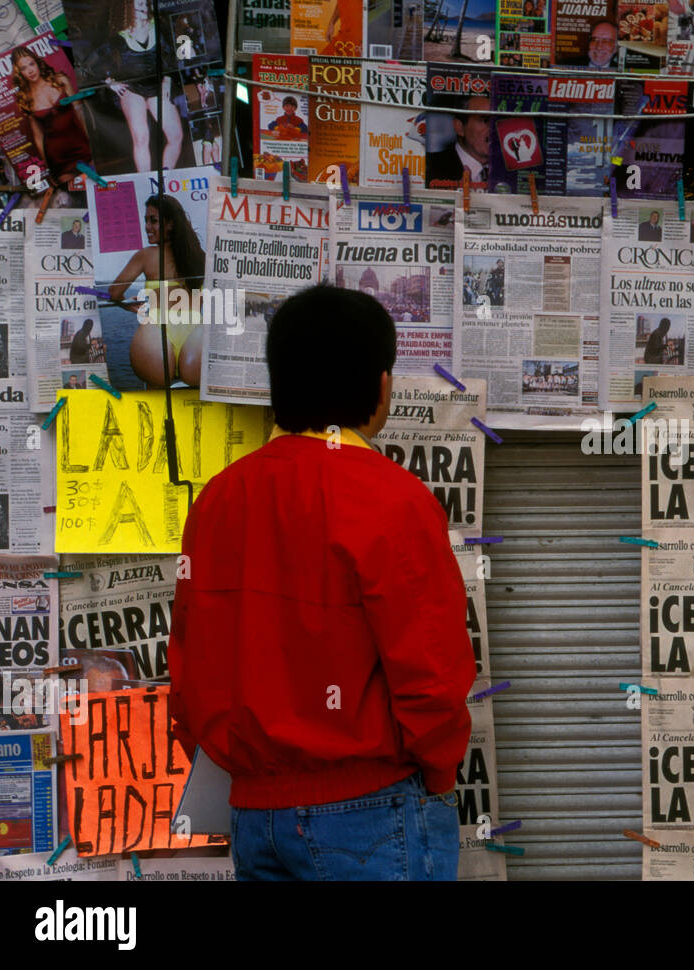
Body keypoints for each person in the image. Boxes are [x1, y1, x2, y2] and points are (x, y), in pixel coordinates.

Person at [168, 285, 475, 881]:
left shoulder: (217, 502)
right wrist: (434, 776)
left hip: (256, 820)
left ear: (277, 383)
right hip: (374, 812)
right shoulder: (392, 499)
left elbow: (189, 667)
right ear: (381, 386)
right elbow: (433, 674)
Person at [108, 194, 206, 387]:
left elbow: (114, 293)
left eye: (153, 221)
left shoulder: (146, 255)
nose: (147, 227)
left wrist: (129, 305)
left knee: (157, 398)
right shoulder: (199, 256)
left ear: (170, 224)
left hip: (157, 332)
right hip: (195, 333)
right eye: (146, 221)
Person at [103, 0, 187, 173]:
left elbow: (175, 56)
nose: (142, 6)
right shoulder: (117, 36)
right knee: (141, 139)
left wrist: (167, 80)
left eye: (145, 2)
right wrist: (110, 82)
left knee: (176, 136)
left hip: (158, 86)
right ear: (127, 7)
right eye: (137, 3)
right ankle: (145, 181)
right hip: (132, 89)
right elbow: (95, 66)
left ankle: (165, 177)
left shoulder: (161, 24)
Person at [12, 48, 91, 189]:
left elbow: (79, 111)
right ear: (20, 73)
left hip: (82, 145)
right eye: (24, 68)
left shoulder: (60, 80)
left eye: (31, 64)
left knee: (100, 185)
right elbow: (38, 137)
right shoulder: (25, 99)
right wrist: (48, 170)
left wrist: (91, 139)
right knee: (77, 194)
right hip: (58, 157)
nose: (30, 71)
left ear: (37, 63)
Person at [425, 94, 492, 187]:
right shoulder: (430, 166)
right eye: (485, 120)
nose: (495, 128)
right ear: (459, 127)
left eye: (498, 120)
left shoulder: (509, 170)